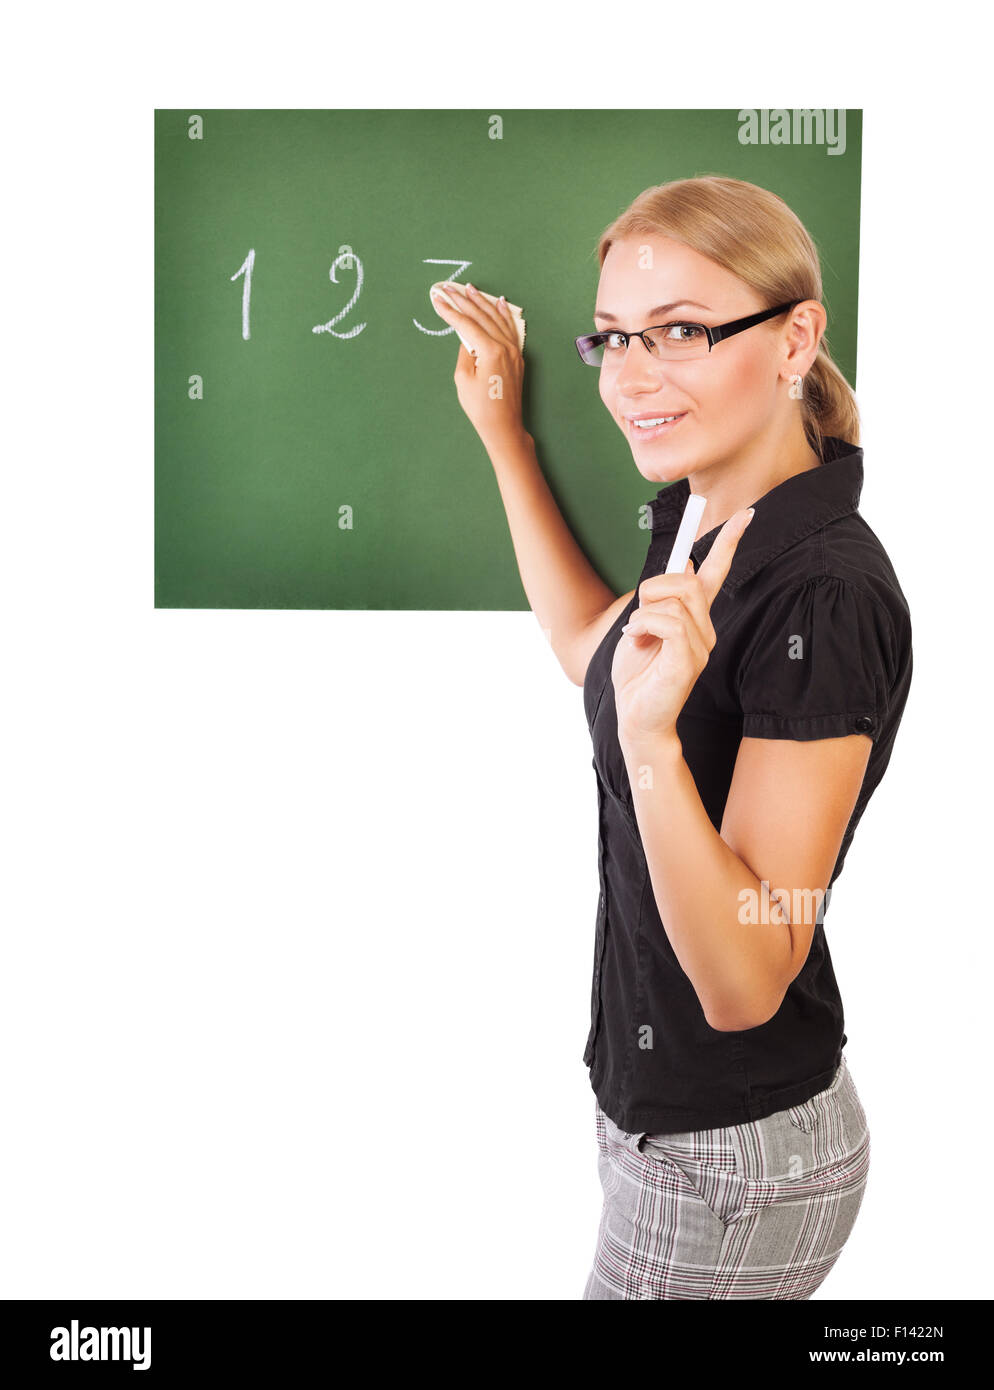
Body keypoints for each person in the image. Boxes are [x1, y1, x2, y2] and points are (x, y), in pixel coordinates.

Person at [429, 175, 912, 1300]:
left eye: (683, 331)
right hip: (669, 1129)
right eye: (613, 340)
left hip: (733, 1162)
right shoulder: (706, 512)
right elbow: (594, 651)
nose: (632, 377)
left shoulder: (819, 598)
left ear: (795, 339)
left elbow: (747, 976)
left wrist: (649, 750)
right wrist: (501, 431)